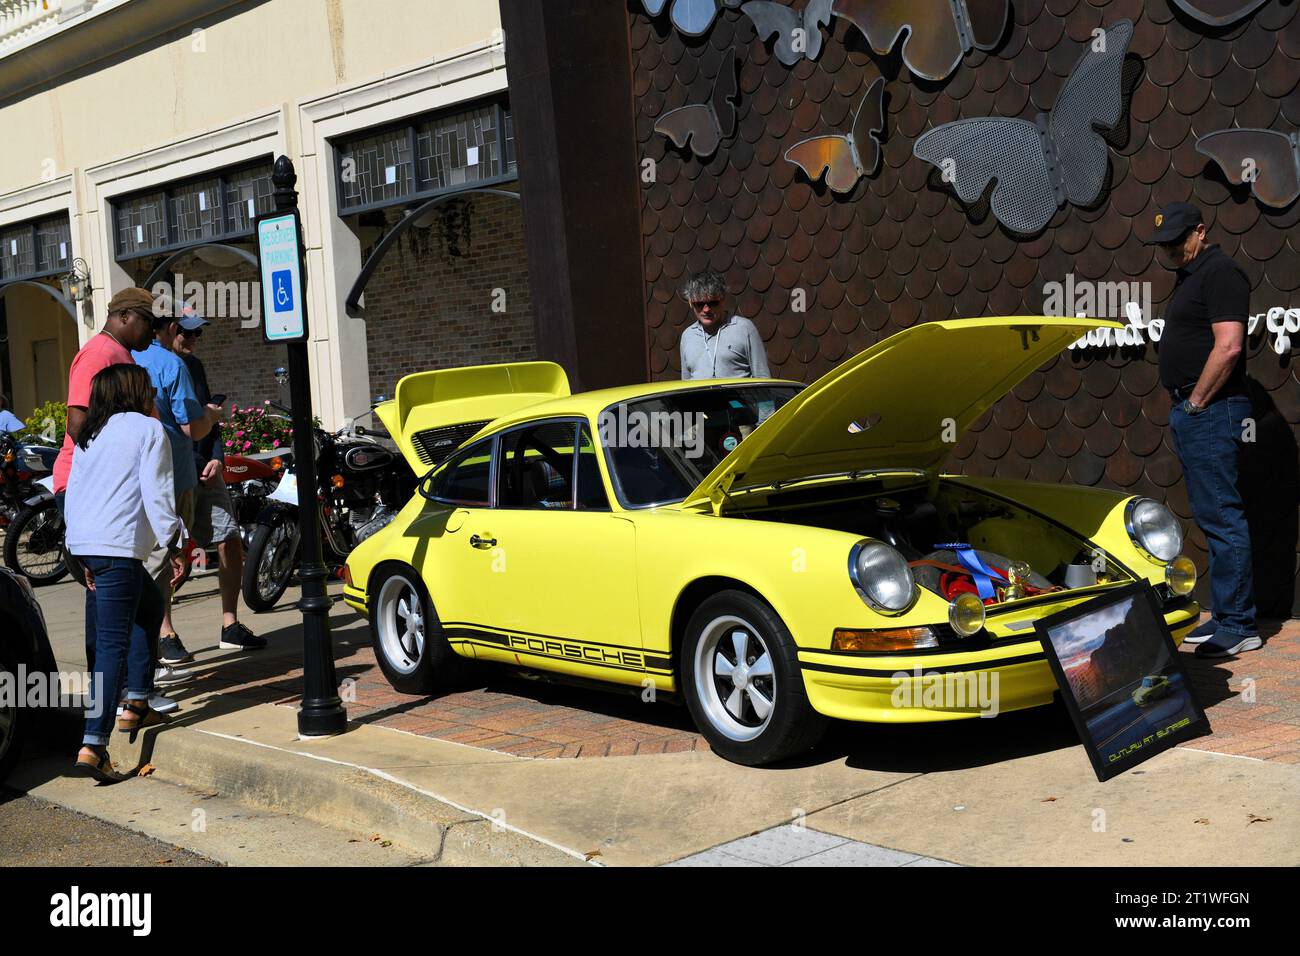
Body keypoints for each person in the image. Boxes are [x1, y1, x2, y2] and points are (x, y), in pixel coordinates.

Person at [1146, 201, 1260, 658]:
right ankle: (1225, 617)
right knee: (1213, 515)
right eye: (1164, 245)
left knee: (1223, 515)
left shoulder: (1221, 273)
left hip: (1210, 409)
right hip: (1197, 409)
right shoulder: (1193, 275)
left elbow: (1229, 346)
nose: (1171, 251)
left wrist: (1195, 403)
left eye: (1177, 241)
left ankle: (1238, 623)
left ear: (1200, 231)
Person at [66, 365, 184, 781]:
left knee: (149, 610)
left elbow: (74, 493)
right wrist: (173, 540)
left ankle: (136, 703)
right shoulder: (149, 430)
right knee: (112, 647)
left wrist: (76, 553)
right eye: (149, 387)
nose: (153, 392)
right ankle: (93, 745)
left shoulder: (90, 434)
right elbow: (158, 492)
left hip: (88, 546)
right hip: (117, 550)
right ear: (136, 391)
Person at [132, 306, 223, 667]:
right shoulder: (172, 366)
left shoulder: (122, 360)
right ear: (170, 328)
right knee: (165, 561)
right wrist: (212, 416)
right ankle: (159, 638)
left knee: (141, 560)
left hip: (131, 475)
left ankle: (151, 640)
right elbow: (191, 428)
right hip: (172, 475)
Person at [170, 308, 265, 651]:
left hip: (204, 468)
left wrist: (216, 458)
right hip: (173, 471)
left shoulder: (194, 366)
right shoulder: (155, 366)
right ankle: (165, 633)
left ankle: (230, 624)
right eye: (187, 332)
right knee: (169, 551)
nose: (194, 339)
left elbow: (208, 419)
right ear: (169, 328)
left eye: (198, 333)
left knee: (229, 538)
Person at [678, 271, 771, 381]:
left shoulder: (744, 328)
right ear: (690, 303)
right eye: (699, 304)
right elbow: (685, 385)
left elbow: (762, 378)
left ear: (722, 300)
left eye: (713, 303)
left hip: (738, 398)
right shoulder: (688, 336)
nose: (706, 309)